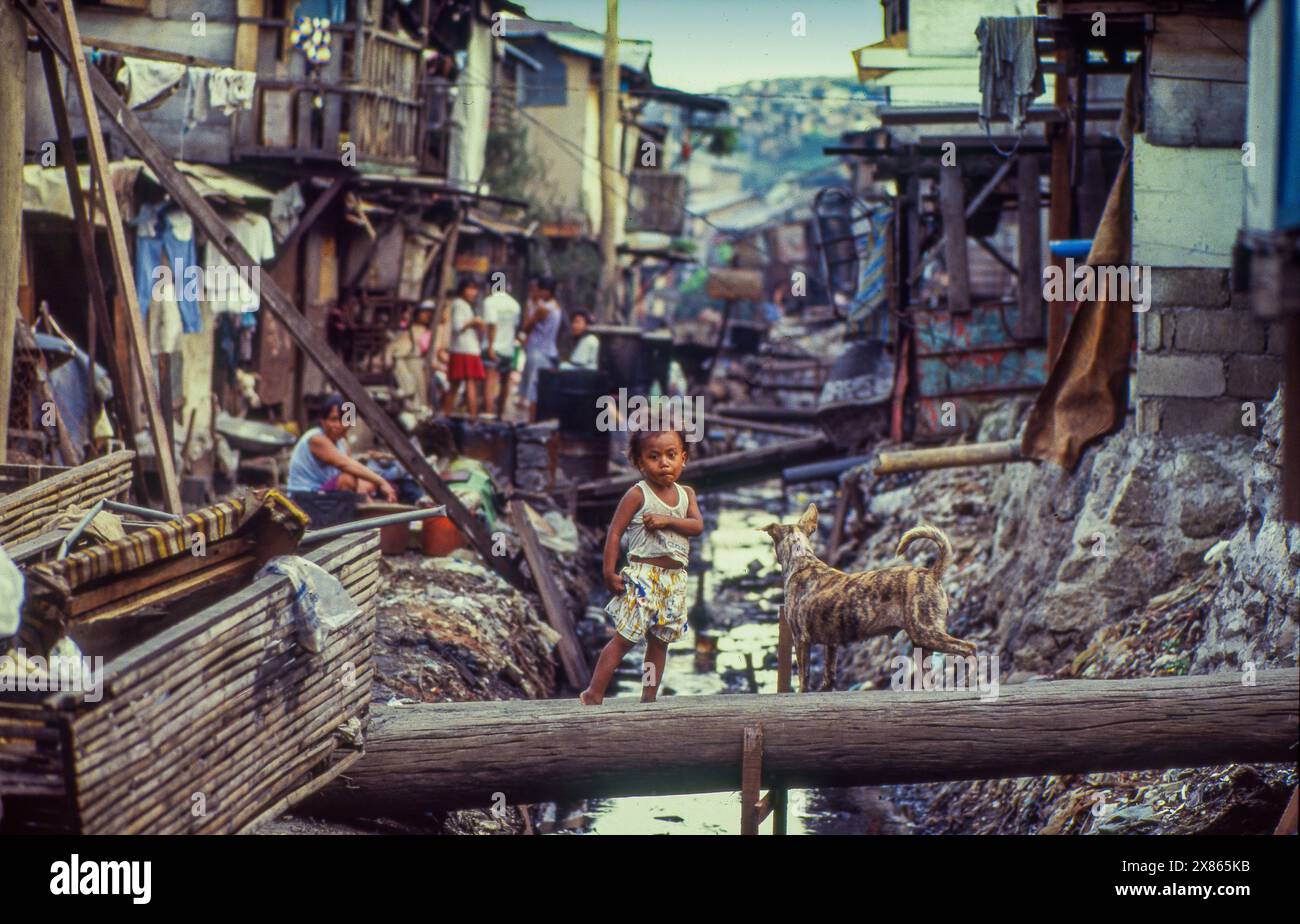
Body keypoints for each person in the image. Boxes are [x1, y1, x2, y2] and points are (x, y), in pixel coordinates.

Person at [580, 427, 703, 705]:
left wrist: (666, 521)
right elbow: (614, 532)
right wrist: (608, 571)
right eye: (654, 456)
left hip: (674, 580)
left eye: (671, 455)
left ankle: (648, 697)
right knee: (625, 637)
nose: (664, 463)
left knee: (660, 642)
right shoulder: (638, 495)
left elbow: (697, 526)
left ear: (683, 458)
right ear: (638, 462)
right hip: (643, 577)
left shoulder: (687, 494)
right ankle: (594, 693)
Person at [287, 395, 397, 526]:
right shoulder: (316, 439)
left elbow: (355, 472)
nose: (338, 425)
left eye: (343, 420)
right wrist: (381, 482)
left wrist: (366, 495)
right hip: (305, 498)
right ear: (323, 420)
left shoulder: (343, 444)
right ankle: (336, 526)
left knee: (363, 482)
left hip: (324, 496)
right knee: (349, 477)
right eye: (333, 419)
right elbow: (346, 464)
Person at [517, 275, 562, 421]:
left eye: (541, 290)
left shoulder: (543, 309)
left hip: (538, 351)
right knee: (541, 389)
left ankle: (532, 421)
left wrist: (530, 308)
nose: (539, 293)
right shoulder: (556, 306)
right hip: (550, 351)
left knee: (533, 392)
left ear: (548, 291)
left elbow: (526, 327)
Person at [442, 278, 487, 416]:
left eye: (475, 289)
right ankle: (462, 416)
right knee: (463, 385)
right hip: (463, 349)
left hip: (466, 349)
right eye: (470, 289)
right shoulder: (459, 304)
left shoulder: (466, 305)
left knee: (460, 385)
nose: (473, 293)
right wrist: (474, 322)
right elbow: (457, 326)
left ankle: (451, 414)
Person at [480, 270, 523, 416]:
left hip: (492, 348)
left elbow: (492, 325)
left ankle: (489, 413)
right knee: (505, 382)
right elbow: (515, 327)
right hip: (508, 349)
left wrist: (491, 347)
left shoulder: (489, 302)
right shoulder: (514, 304)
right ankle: (500, 413)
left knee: (489, 382)